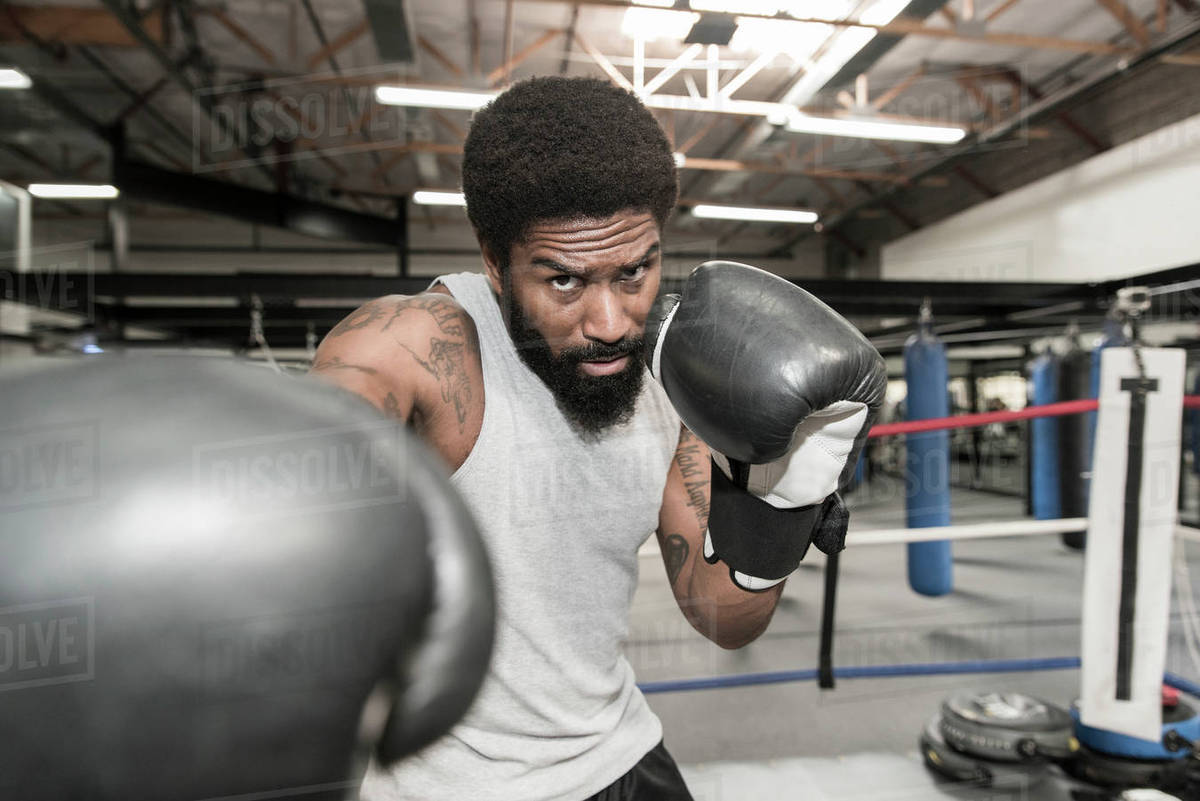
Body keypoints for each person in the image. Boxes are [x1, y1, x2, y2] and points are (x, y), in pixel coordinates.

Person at [310, 76, 884, 801]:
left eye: (635, 270)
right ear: (494, 261)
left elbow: (720, 617)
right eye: (564, 281)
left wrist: (789, 496)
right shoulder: (421, 344)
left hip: (620, 755)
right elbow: (325, 422)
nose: (611, 320)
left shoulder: (669, 382)